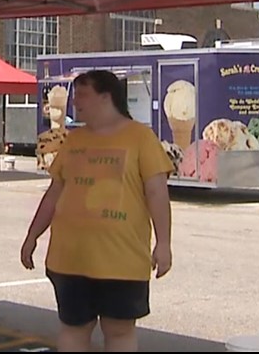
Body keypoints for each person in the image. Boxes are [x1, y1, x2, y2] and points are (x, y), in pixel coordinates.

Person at [20, 69, 174, 352]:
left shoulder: (141, 137)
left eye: (83, 94)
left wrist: (163, 243)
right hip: (69, 259)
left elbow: (157, 193)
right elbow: (55, 192)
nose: (75, 101)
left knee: (118, 332)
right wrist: (32, 236)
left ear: (106, 97)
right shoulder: (74, 140)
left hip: (121, 260)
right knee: (74, 328)